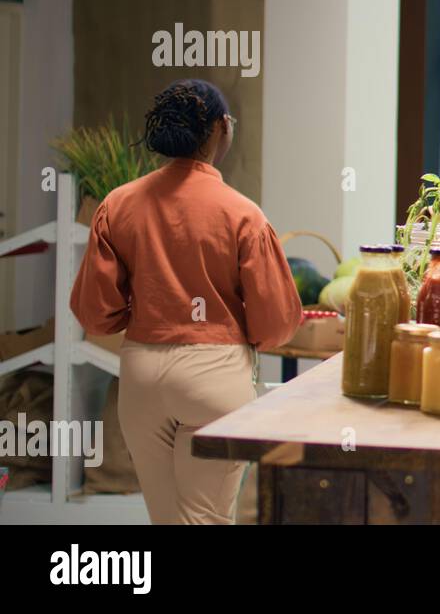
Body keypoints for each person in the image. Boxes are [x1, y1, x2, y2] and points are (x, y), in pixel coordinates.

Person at [70, 79, 301, 525]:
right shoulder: (242, 214)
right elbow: (276, 324)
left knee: (167, 519)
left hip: (140, 375)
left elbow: (94, 313)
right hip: (213, 376)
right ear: (219, 129)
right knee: (204, 519)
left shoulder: (118, 205)